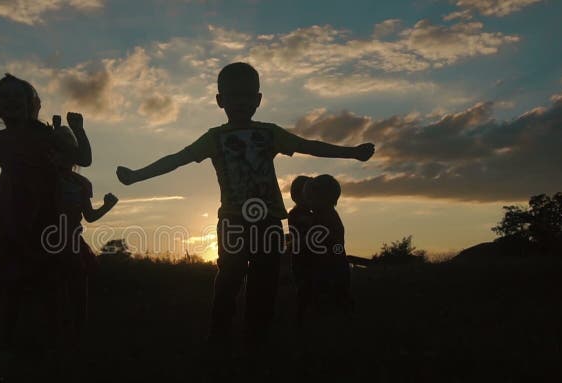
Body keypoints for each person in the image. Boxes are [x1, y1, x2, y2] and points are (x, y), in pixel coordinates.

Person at [116, 62, 374, 348]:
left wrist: (351, 153)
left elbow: (309, 145)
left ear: (258, 100)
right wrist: (136, 176)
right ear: (220, 100)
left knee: (265, 286)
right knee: (228, 279)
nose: (240, 102)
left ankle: (257, 342)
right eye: (233, 95)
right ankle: (219, 338)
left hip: (269, 222)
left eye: (247, 96)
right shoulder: (213, 138)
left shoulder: (269, 133)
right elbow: (177, 159)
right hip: (233, 221)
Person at [0, 64, 92, 361]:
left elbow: (84, 159)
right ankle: (6, 344)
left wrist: (77, 130)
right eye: (4, 98)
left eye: (18, 97)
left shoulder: (47, 136)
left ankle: (61, 342)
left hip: (46, 220)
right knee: (11, 287)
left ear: (31, 104)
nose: (11, 102)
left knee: (52, 284)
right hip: (11, 221)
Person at [49, 142, 118, 351]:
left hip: (73, 241)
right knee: (54, 290)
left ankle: (77, 336)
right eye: (58, 151)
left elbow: (89, 216)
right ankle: (58, 334)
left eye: (68, 152)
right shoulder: (44, 178)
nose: (63, 157)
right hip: (47, 240)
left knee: (78, 288)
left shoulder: (81, 183)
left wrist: (107, 206)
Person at [298, 174, 353, 326]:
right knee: (337, 297)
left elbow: (314, 241)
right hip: (337, 264)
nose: (307, 202)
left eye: (310, 198)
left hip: (327, 266)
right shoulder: (330, 216)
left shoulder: (322, 219)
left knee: (325, 298)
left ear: (320, 199)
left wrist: (299, 242)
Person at [287, 175, 315, 328]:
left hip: (310, 258)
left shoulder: (311, 214)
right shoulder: (296, 214)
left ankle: (307, 320)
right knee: (304, 289)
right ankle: (301, 321)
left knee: (311, 289)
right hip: (301, 258)